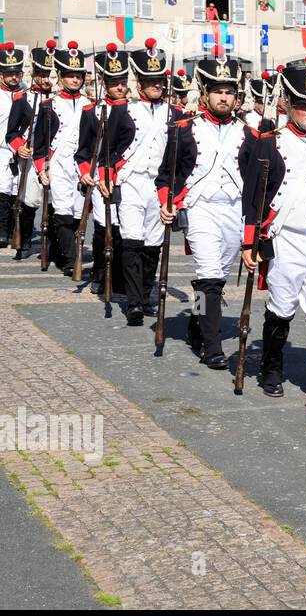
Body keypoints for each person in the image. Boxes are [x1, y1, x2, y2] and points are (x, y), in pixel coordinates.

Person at [240, 53, 306, 405]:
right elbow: (253, 195)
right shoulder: (269, 143)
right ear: (287, 103)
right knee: (281, 307)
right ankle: (271, 371)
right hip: (284, 238)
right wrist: (249, 243)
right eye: (303, 104)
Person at [158, 55, 255, 370]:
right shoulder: (184, 129)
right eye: (218, 91)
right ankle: (212, 348)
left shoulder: (249, 133)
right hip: (200, 208)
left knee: (215, 279)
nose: (224, 97)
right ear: (205, 94)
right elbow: (166, 176)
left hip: (234, 210)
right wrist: (167, 201)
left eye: (229, 91)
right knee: (210, 275)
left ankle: (198, 321)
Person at [102, 40, 177, 325]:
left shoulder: (175, 114)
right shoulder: (123, 110)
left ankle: (145, 296)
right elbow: (107, 151)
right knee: (132, 241)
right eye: (151, 80)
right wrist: (105, 176)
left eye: (160, 80)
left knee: (153, 246)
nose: (157, 85)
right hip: (131, 181)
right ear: (140, 82)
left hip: (159, 186)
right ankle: (133, 303)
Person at [32, 41, 93, 276]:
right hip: (58, 164)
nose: (75, 80)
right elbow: (40, 145)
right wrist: (41, 168)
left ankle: (64, 251)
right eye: (69, 76)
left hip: (83, 165)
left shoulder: (91, 106)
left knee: (78, 212)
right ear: (60, 77)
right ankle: (70, 258)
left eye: (78, 76)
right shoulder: (49, 106)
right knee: (63, 212)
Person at [78, 48, 130, 298]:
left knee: (124, 230)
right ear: (104, 83)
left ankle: (119, 277)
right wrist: (85, 172)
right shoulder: (91, 112)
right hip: (99, 177)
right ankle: (99, 272)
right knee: (102, 227)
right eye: (114, 83)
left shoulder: (134, 111)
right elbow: (83, 150)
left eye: (123, 82)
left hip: (127, 177)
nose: (120, 87)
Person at [6, 42, 55, 260]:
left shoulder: (58, 99)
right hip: (32, 156)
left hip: (55, 158)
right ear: (34, 74)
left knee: (56, 205)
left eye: (48, 74)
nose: (45, 79)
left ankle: (55, 246)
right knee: (29, 202)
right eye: (41, 74)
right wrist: (19, 148)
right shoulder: (22, 98)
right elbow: (12, 132)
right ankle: (23, 240)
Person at [0, 43, 27, 249]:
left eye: (17, 73)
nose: (14, 77)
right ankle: (2, 230)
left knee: (17, 192)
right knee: (2, 190)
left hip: (21, 150)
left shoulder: (25, 95)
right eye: (9, 73)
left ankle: (12, 230)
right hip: (0, 149)